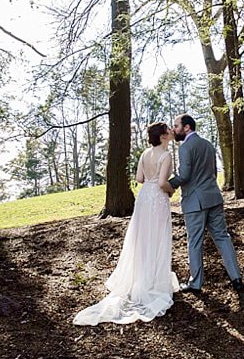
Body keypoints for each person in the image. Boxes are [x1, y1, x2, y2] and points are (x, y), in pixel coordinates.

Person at [73, 122, 180, 325]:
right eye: (168, 130)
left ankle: (139, 280)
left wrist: (154, 180)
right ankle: (154, 282)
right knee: (157, 238)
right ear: (164, 136)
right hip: (157, 198)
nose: (171, 132)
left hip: (143, 198)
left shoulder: (144, 154)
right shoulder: (166, 156)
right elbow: (162, 183)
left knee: (142, 239)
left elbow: (139, 178)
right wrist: (171, 190)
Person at [164, 114, 244, 293]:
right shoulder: (208, 145)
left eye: (176, 126)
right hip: (214, 197)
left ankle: (196, 283)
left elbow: (184, 176)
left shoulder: (185, 147)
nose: (174, 129)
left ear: (187, 128)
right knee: (223, 238)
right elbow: (213, 173)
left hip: (195, 202)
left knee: (195, 242)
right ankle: (237, 279)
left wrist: (167, 185)